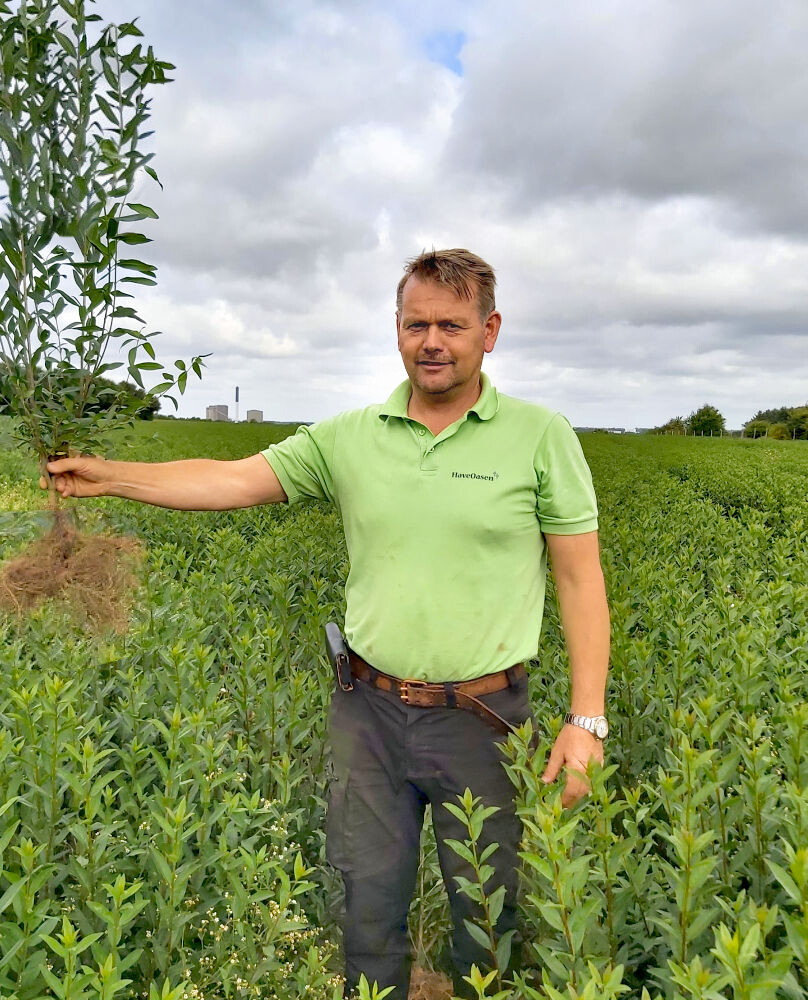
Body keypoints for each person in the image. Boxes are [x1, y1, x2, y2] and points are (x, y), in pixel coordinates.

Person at [42, 248, 609, 998]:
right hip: (368, 712)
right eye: (416, 324)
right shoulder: (349, 436)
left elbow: (579, 578)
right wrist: (111, 476)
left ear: (489, 331)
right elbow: (232, 476)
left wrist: (586, 721)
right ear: (397, 331)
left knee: (489, 918)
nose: (431, 341)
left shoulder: (540, 437)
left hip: (483, 718)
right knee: (367, 907)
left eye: (451, 324)